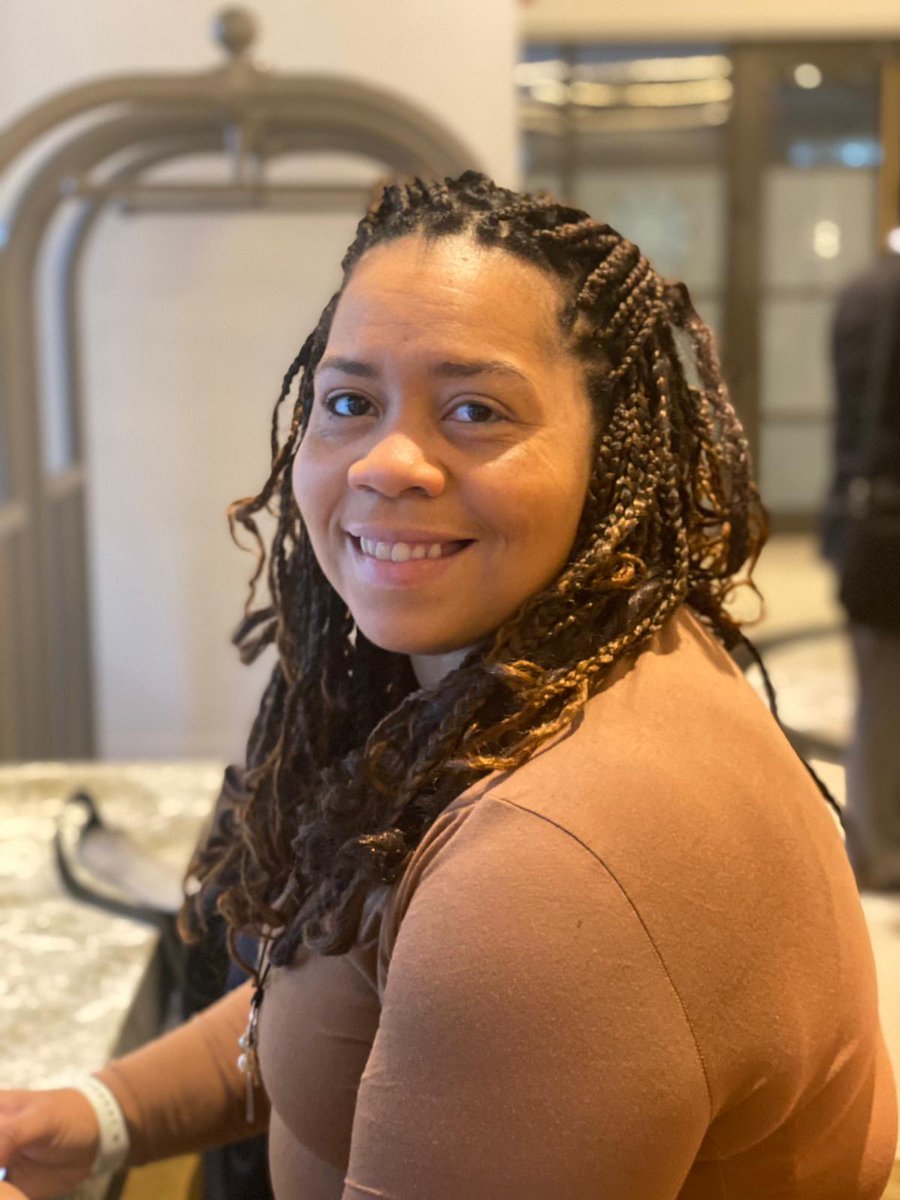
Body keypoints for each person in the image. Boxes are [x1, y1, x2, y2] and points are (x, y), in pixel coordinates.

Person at [0, 172, 896, 1200]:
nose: (388, 462)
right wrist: (107, 1110)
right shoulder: (539, 669)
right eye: (350, 403)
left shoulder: (547, 876)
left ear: (609, 458)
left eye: (476, 410)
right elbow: (339, 995)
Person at [822, 247, 900, 892]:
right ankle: (879, 851)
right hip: (885, 529)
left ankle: (878, 843)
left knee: (881, 695)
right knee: (885, 697)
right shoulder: (886, 294)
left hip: (863, 518)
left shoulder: (864, 288)